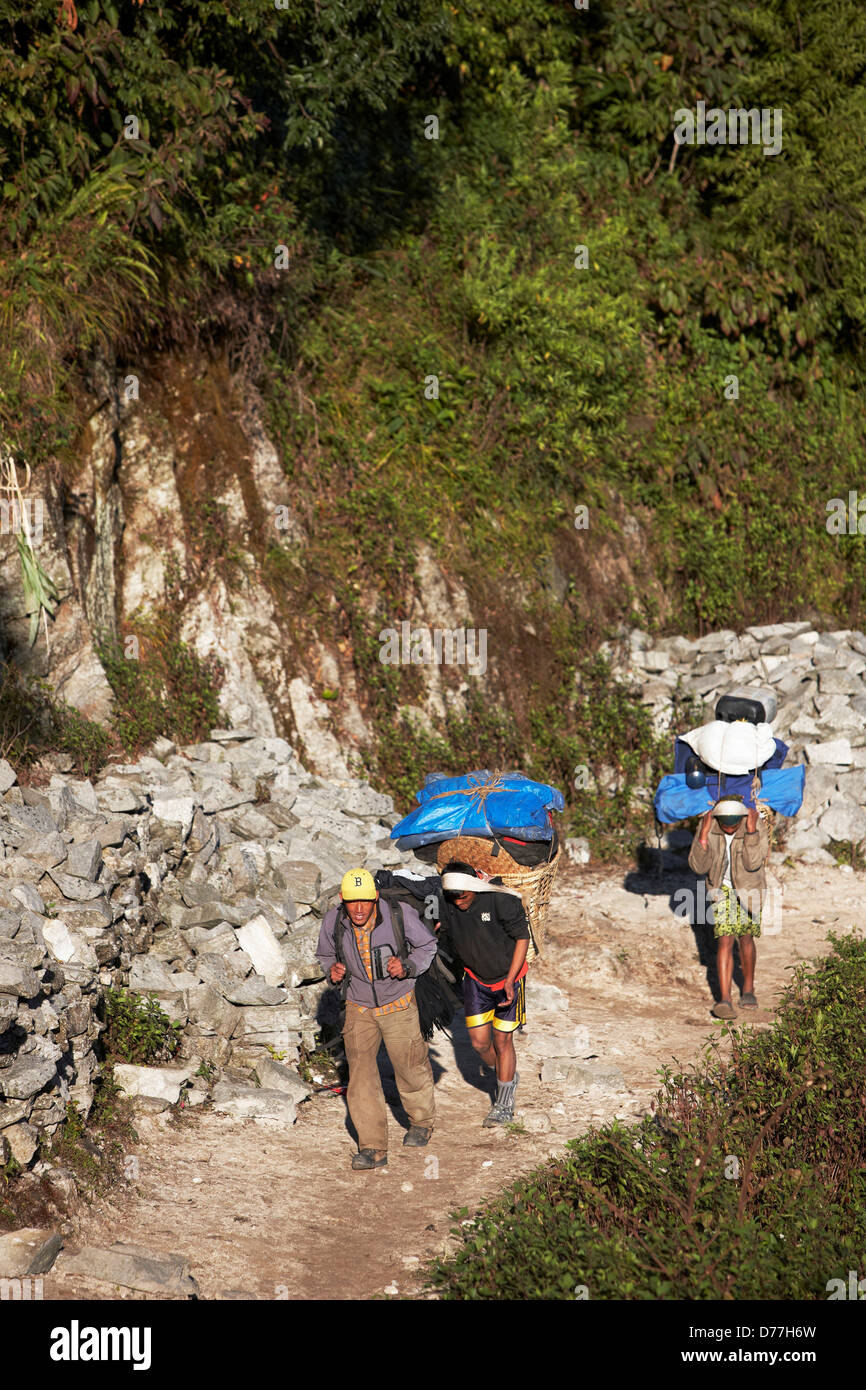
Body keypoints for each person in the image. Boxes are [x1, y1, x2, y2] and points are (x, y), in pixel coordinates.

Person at [316, 868, 438, 1170]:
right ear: (343, 900)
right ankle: (373, 1148)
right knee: (359, 1074)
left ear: (375, 898)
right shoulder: (333, 920)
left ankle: (421, 1122)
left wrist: (408, 965)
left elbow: (427, 945)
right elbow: (325, 955)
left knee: (409, 1064)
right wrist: (332, 970)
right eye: (352, 902)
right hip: (358, 1006)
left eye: (365, 902)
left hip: (398, 1001)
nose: (359, 909)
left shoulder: (399, 913)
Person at [435, 860, 531, 1127]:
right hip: (476, 980)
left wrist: (511, 980)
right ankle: (506, 1076)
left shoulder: (501, 902)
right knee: (479, 1044)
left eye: (462, 896)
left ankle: (504, 1104)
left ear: (474, 888)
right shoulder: (448, 903)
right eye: (452, 897)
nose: (458, 902)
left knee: (502, 1043)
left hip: (508, 980)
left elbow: (522, 938)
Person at [688, 795, 771, 1020]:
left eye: (734, 824)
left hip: (749, 888)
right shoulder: (709, 826)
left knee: (745, 937)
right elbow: (698, 866)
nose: (729, 828)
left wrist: (752, 832)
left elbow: (753, 862)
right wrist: (703, 835)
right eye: (725, 824)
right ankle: (724, 999)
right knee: (725, 939)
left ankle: (748, 989)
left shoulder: (755, 825)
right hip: (721, 888)